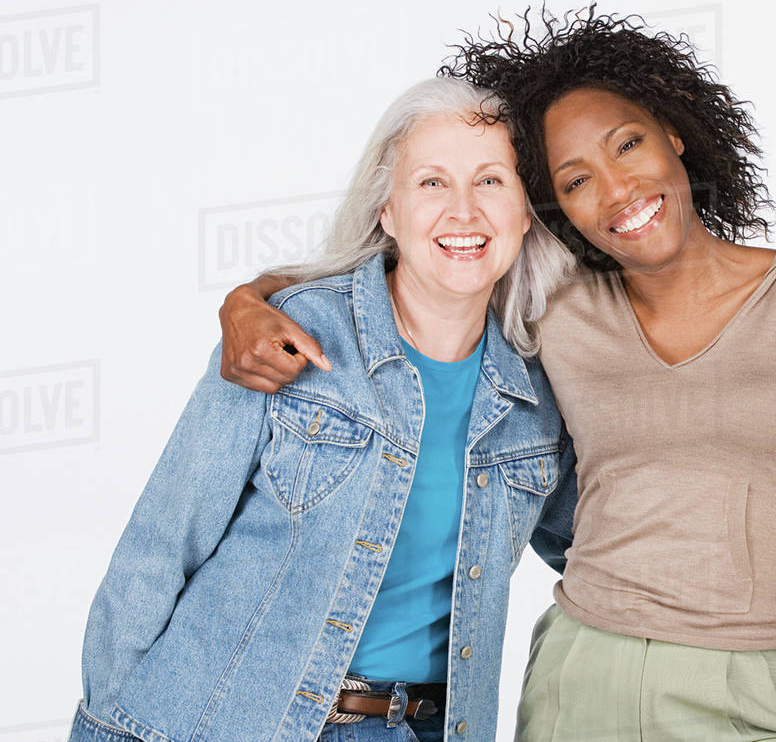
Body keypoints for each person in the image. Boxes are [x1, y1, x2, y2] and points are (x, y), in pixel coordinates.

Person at [216, 8, 776, 742]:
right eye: (575, 181)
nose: (617, 192)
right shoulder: (560, 309)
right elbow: (404, 270)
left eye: (628, 145)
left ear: (674, 133)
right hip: (580, 682)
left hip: (757, 691)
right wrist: (250, 297)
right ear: (557, 209)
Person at [70, 77, 581, 742]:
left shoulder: (537, 401)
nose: (463, 211)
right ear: (387, 210)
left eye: (490, 181)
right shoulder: (289, 335)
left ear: (524, 213)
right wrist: (108, 721)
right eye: (431, 183)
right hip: (221, 721)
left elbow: (605, 556)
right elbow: (161, 546)